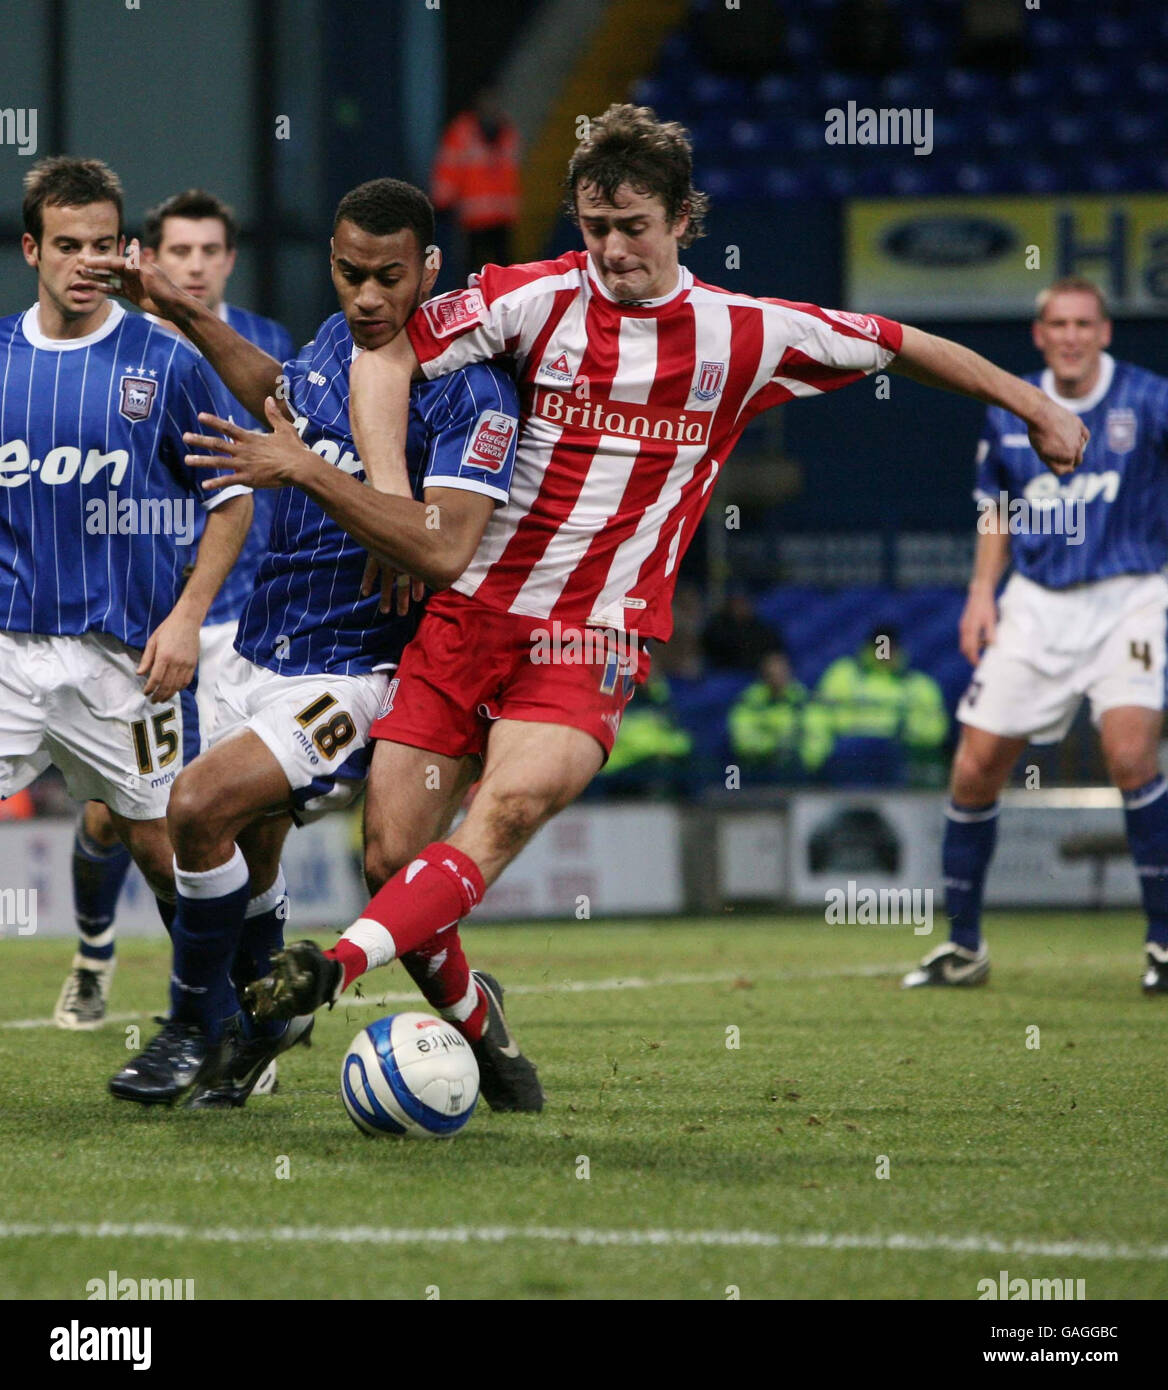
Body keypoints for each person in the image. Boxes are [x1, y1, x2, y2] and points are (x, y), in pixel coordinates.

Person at [207, 104, 1085, 1044]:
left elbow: (899, 343)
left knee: (500, 814)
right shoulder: (527, 297)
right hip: (468, 617)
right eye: (595, 228)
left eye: (634, 228)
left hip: (590, 639)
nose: (614, 249)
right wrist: (391, 507)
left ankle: (332, 966)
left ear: (680, 221)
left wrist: (1032, 401)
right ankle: (478, 1022)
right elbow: (384, 355)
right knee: (390, 856)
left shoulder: (745, 333)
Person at [84, 178, 527, 1109]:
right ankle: (265, 1019)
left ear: (430, 270)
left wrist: (302, 468)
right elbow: (282, 393)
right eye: (350, 273)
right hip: (259, 641)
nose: (368, 297)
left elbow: (442, 546)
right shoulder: (339, 341)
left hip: (355, 671)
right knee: (245, 849)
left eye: (390, 278)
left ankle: (194, 1030)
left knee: (199, 808)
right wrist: (179, 311)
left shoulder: (473, 393)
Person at [0, 157, 251, 1012]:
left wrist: (186, 618)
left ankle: (220, 1018)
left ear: (126, 251)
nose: (85, 263)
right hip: (9, 648)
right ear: (32, 247)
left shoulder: (167, 363)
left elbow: (232, 499)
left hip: (126, 660)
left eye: (103, 246)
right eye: (67, 245)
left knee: (159, 845)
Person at [58, 188, 294, 1033]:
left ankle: (243, 995)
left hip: (247, 621)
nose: (195, 264)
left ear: (229, 258)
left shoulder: (267, 349)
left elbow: (306, 467)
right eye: (179, 252)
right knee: (119, 812)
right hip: (144, 616)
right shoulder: (107, 345)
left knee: (240, 812)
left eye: (210, 251)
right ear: (150, 259)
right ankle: (95, 951)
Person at [904, 277, 1168, 992]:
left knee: (1130, 753)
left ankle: (1163, 946)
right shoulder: (1012, 407)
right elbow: (996, 509)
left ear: (1105, 332)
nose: (1073, 335)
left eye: (1085, 323)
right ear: (1040, 334)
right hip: (1037, 602)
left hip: (1133, 595)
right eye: (1059, 323)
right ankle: (964, 948)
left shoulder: (1150, 400)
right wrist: (981, 594)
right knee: (974, 767)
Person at [815, 625, 948, 782]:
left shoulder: (920, 685)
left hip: (898, 755)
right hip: (848, 752)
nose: (885, 652)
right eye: (880, 645)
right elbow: (819, 714)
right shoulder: (843, 674)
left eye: (889, 646)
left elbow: (936, 729)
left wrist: (904, 732)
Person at [431, 89, 520, 281]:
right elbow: (449, 167)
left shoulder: (506, 131)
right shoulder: (462, 131)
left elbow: (510, 171)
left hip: (501, 215)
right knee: (469, 273)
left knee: (506, 273)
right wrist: (441, 201)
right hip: (473, 218)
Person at [729, 649, 834, 777]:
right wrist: (773, 746)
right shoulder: (750, 701)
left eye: (781, 673)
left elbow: (818, 737)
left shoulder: (803, 700)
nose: (777, 678)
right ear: (764, 676)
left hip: (797, 769)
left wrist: (806, 761)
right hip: (759, 766)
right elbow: (742, 740)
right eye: (771, 674)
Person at [702, 590, 784, 671]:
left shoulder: (762, 629)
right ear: (729, 606)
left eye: (743, 603)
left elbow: (774, 651)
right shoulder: (718, 629)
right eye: (736, 603)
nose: (740, 607)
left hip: (756, 672)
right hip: (728, 672)